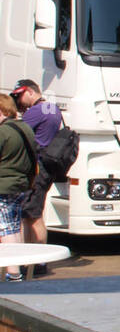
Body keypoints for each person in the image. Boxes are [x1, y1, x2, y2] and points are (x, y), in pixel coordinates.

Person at [13, 79, 63, 274]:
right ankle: (35, 259)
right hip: (48, 167)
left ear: (31, 92)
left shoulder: (34, 112)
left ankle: (35, 261)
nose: (19, 100)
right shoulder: (53, 108)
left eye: (20, 95)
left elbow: (19, 133)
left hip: (37, 167)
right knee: (34, 214)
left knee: (31, 215)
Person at [0, 93, 39, 282]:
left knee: (5, 230)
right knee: (14, 227)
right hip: (21, 184)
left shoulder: (3, 132)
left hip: (4, 186)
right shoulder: (25, 128)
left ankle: (13, 273)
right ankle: (18, 268)